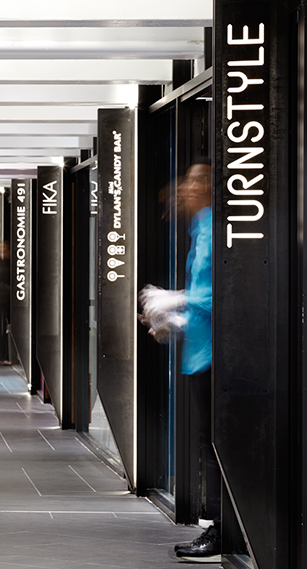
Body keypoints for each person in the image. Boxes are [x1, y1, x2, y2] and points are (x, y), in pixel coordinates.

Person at [139, 163, 219, 562]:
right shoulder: (200, 229)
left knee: (214, 445)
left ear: (206, 187)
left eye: (191, 183)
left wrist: (175, 301)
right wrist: (174, 320)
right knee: (208, 442)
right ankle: (220, 527)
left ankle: (221, 531)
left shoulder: (213, 229)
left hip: (214, 358)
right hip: (201, 352)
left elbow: (220, 290)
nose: (183, 190)